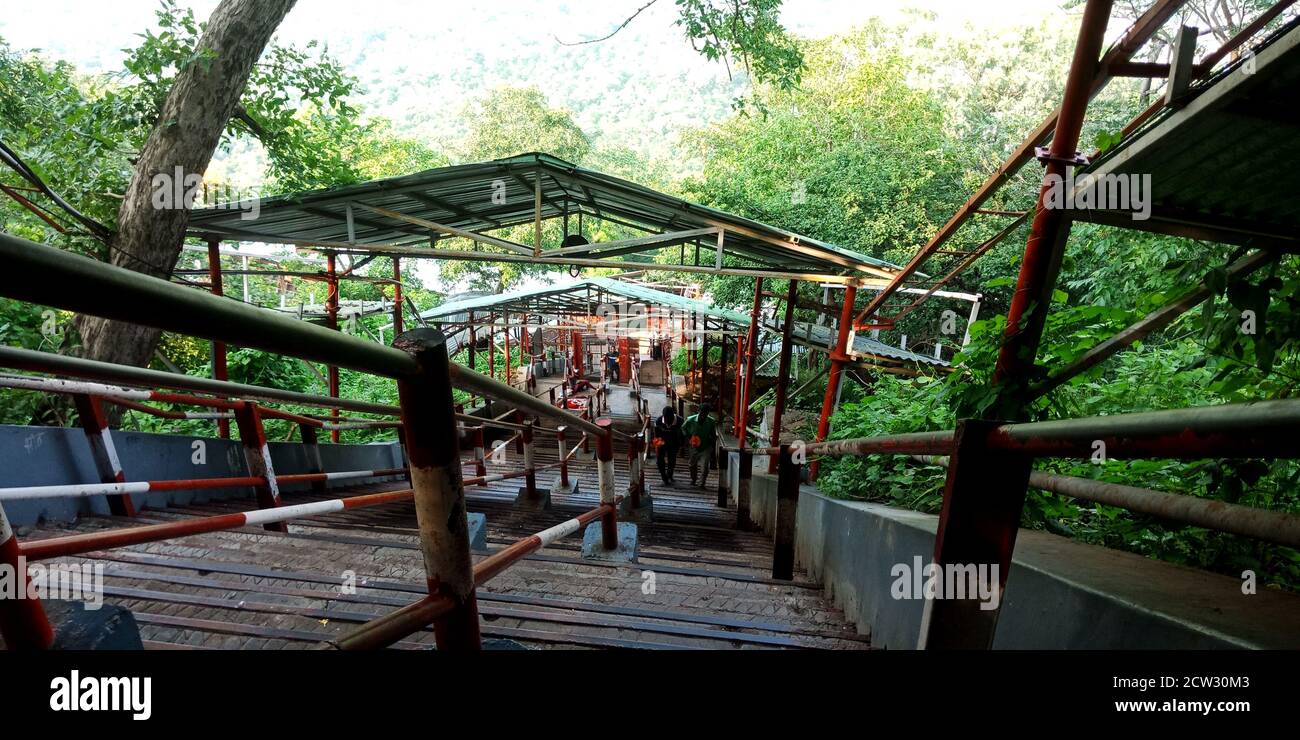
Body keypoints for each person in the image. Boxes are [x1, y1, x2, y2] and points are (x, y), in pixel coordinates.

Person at [682, 403, 718, 488]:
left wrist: (712, 446)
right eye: (702, 413)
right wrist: (689, 438)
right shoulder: (690, 420)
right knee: (691, 464)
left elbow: (713, 434)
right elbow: (683, 428)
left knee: (705, 467)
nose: (703, 416)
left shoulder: (711, 421)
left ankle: (702, 483)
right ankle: (694, 479)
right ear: (698, 411)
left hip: (706, 446)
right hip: (693, 446)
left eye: (705, 414)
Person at [653, 405, 683, 486]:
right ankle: (663, 476)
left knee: (672, 459)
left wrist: (681, 446)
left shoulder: (680, 421)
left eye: (669, 418)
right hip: (661, 441)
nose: (667, 420)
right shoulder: (658, 421)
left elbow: (682, 435)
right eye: (665, 418)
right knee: (659, 459)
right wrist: (657, 445)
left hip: (674, 442)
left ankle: (670, 474)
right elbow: (656, 434)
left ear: (673, 415)